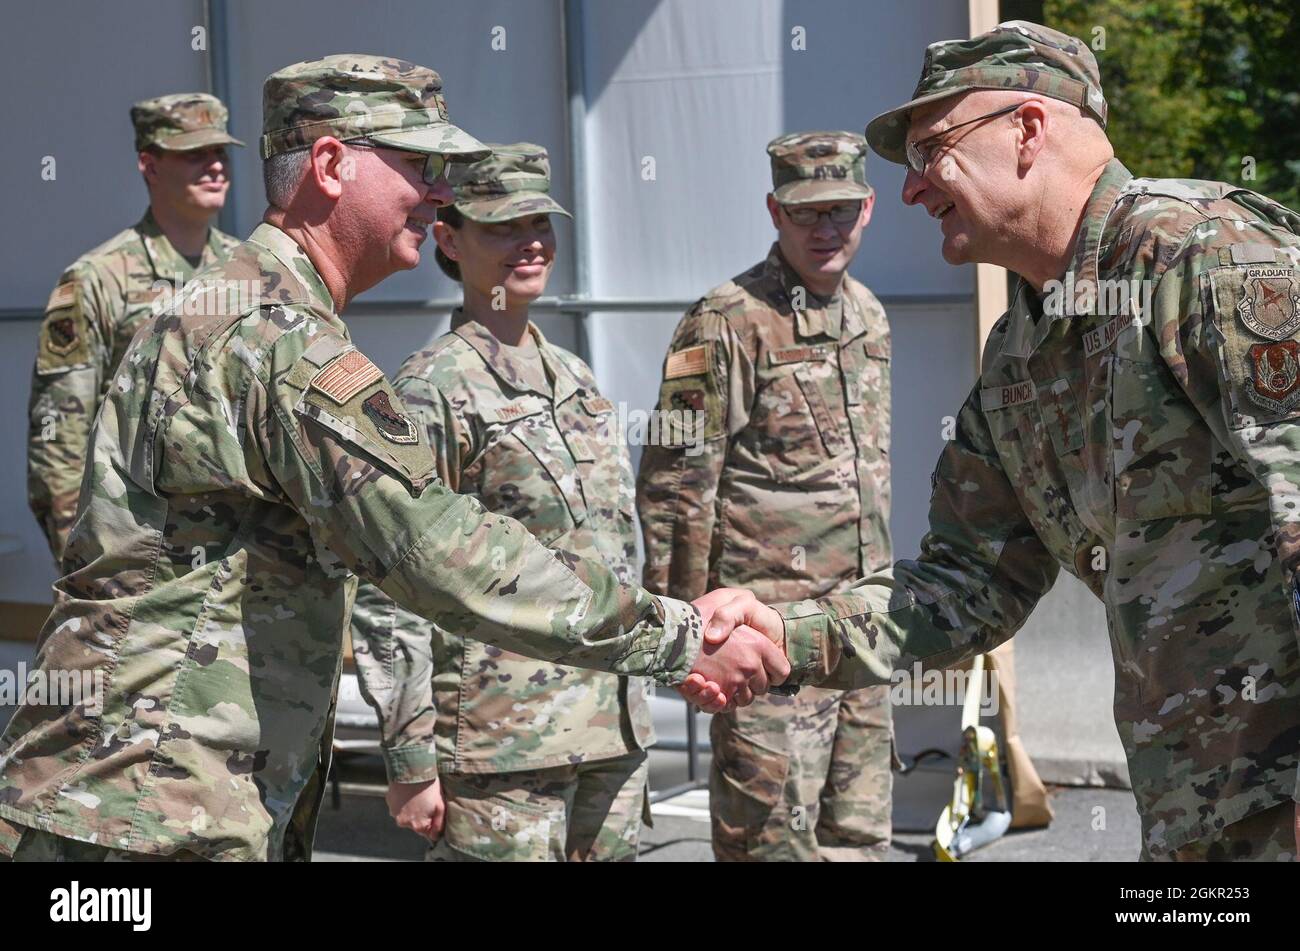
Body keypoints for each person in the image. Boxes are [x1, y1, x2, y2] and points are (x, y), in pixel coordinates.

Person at [0, 54, 785, 864]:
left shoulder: (245, 303)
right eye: (418, 164)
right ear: (334, 165)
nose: (440, 192)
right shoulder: (274, 332)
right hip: (148, 806)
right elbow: (435, 546)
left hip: (149, 795)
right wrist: (678, 634)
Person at [690, 20, 1300, 862]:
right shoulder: (1019, 355)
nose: (909, 191)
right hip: (1193, 820)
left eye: (932, 147)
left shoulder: (1203, 258)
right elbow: (966, 586)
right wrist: (782, 633)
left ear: (1028, 128)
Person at [351, 143, 656, 861]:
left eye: (539, 223)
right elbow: (389, 583)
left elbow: (618, 552)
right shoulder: (431, 388)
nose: (530, 243)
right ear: (450, 240)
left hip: (612, 727)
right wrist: (409, 756)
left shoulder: (574, 376)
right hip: (501, 744)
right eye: (501, 227)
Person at [637, 132, 894, 862]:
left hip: (860, 638)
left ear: (869, 208)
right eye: (806, 213)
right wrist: (685, 642)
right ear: (774, 211)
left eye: (841, 210)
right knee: (770, 845)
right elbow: (675, 487)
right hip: (766, 650)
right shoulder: (726, 320)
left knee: (860, 839)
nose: (826, 229)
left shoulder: (871, 317)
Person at [28, 93, 242, 561]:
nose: (215, 166)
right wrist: (82, 559)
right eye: (194, 154)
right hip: (136, 547)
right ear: (150, 165)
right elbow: (59, 434)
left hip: (236, 551)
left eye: (220, 152)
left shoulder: (244, 272)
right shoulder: (97, 278)